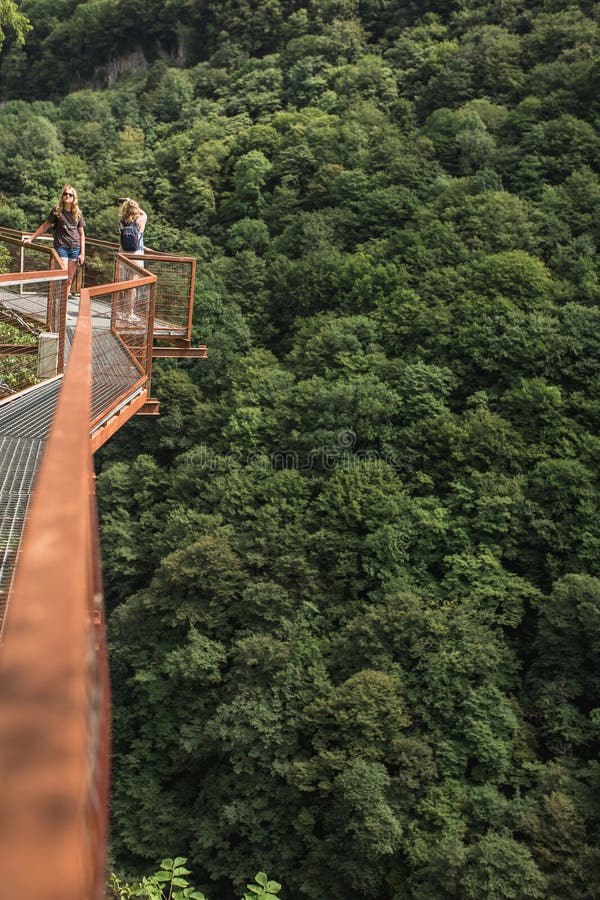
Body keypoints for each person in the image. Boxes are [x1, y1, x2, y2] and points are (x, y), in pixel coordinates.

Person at [23, 185, 85, 297]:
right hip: (61, 247)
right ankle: (57, 304)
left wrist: (82, 253)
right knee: (63, 276)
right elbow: (45, 226)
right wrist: (31, 238)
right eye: (65, 194)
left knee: (69, 279)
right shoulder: (57, 211)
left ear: (74, 198)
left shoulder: (78, 213)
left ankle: (63, 309)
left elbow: (81, 234)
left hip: (75, 248)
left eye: (70, 194)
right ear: (62, 196)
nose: (67, 196)